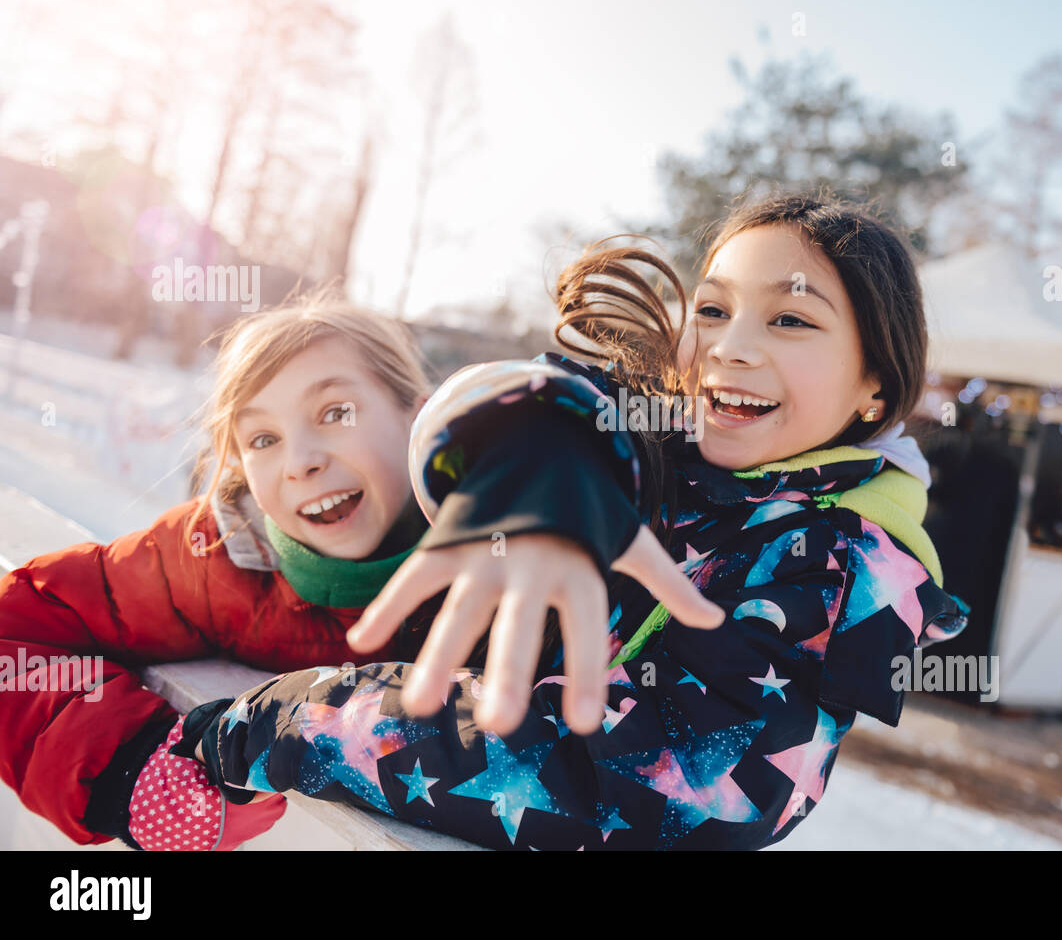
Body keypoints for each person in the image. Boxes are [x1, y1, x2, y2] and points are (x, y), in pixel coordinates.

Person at [201, 191, 973, 850]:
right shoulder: (664, 463)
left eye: (792, 320)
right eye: (712, 308)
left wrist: (301, 721)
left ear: (874, 383)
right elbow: (509, 413)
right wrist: (540, 443)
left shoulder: (838, 565)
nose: (730, 348)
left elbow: (658, 783)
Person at [0, 289, 713, 850]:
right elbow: (15, 628)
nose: (300, 458)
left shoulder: (514, 548)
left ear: (417, 415)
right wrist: (121, 767)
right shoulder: (213, 557)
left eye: (334, 410)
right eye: (263, 437)